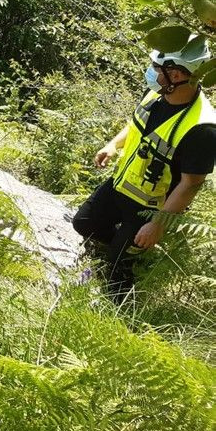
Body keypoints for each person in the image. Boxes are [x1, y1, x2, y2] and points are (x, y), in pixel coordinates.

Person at [72, 40, 216, 300]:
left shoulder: (203, 128)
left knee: (118, 268)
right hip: (121, 184)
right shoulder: (157, 93)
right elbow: (137, 124)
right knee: (84, 222)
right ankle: (119, 246)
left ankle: (122, 311)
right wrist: (112, 145)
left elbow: (190, 184)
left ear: (176, 75)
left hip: (148, 208)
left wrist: (158, 224)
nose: (151, 72)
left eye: (156, 67)